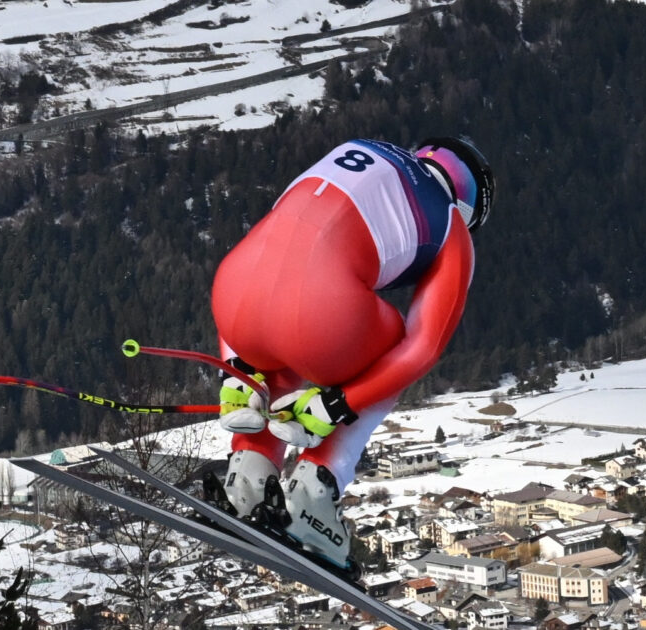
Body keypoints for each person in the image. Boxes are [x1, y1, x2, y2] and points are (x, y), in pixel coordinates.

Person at [210, 137, 493, 570]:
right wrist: (337, 404)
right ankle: (314, 494)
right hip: (322, 320)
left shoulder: (349, 153)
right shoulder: (452, 225)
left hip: (232, 296)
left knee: (276, 349)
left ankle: (247, 473)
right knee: (397, 341)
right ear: (469, 202)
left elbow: (266, 261)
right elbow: (423, 350)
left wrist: (236, 370)